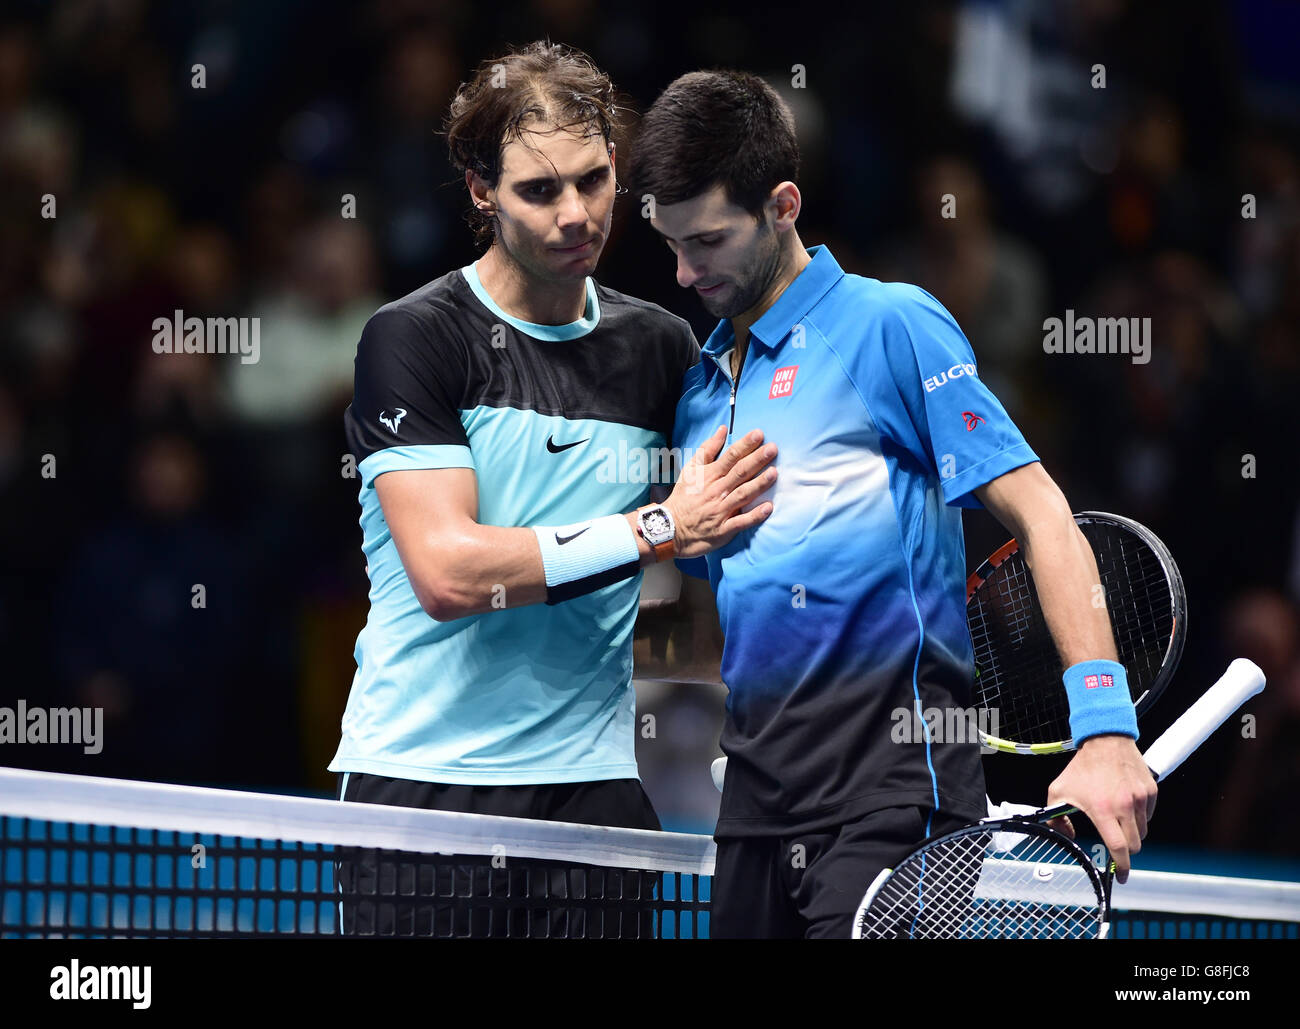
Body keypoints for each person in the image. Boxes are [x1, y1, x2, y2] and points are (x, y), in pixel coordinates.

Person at [628, 70, 1158, 939]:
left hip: (895, 795)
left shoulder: (890, 326)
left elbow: (1044, 514)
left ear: (784, 205)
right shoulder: (698, 391)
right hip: (755, 810)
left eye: (710, 241)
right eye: (671, 245)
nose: (685, 273)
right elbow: (727, 619)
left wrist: (1102, 729)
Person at [328, 43, 777, 936]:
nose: (577, 215)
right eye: (540, 191)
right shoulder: (413, 340)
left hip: (596, 794)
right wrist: (655, 526)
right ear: (480, 192)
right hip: (422, 789)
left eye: (595, 179)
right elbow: (450, 574)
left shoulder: (661, 350)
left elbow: (724, 546)